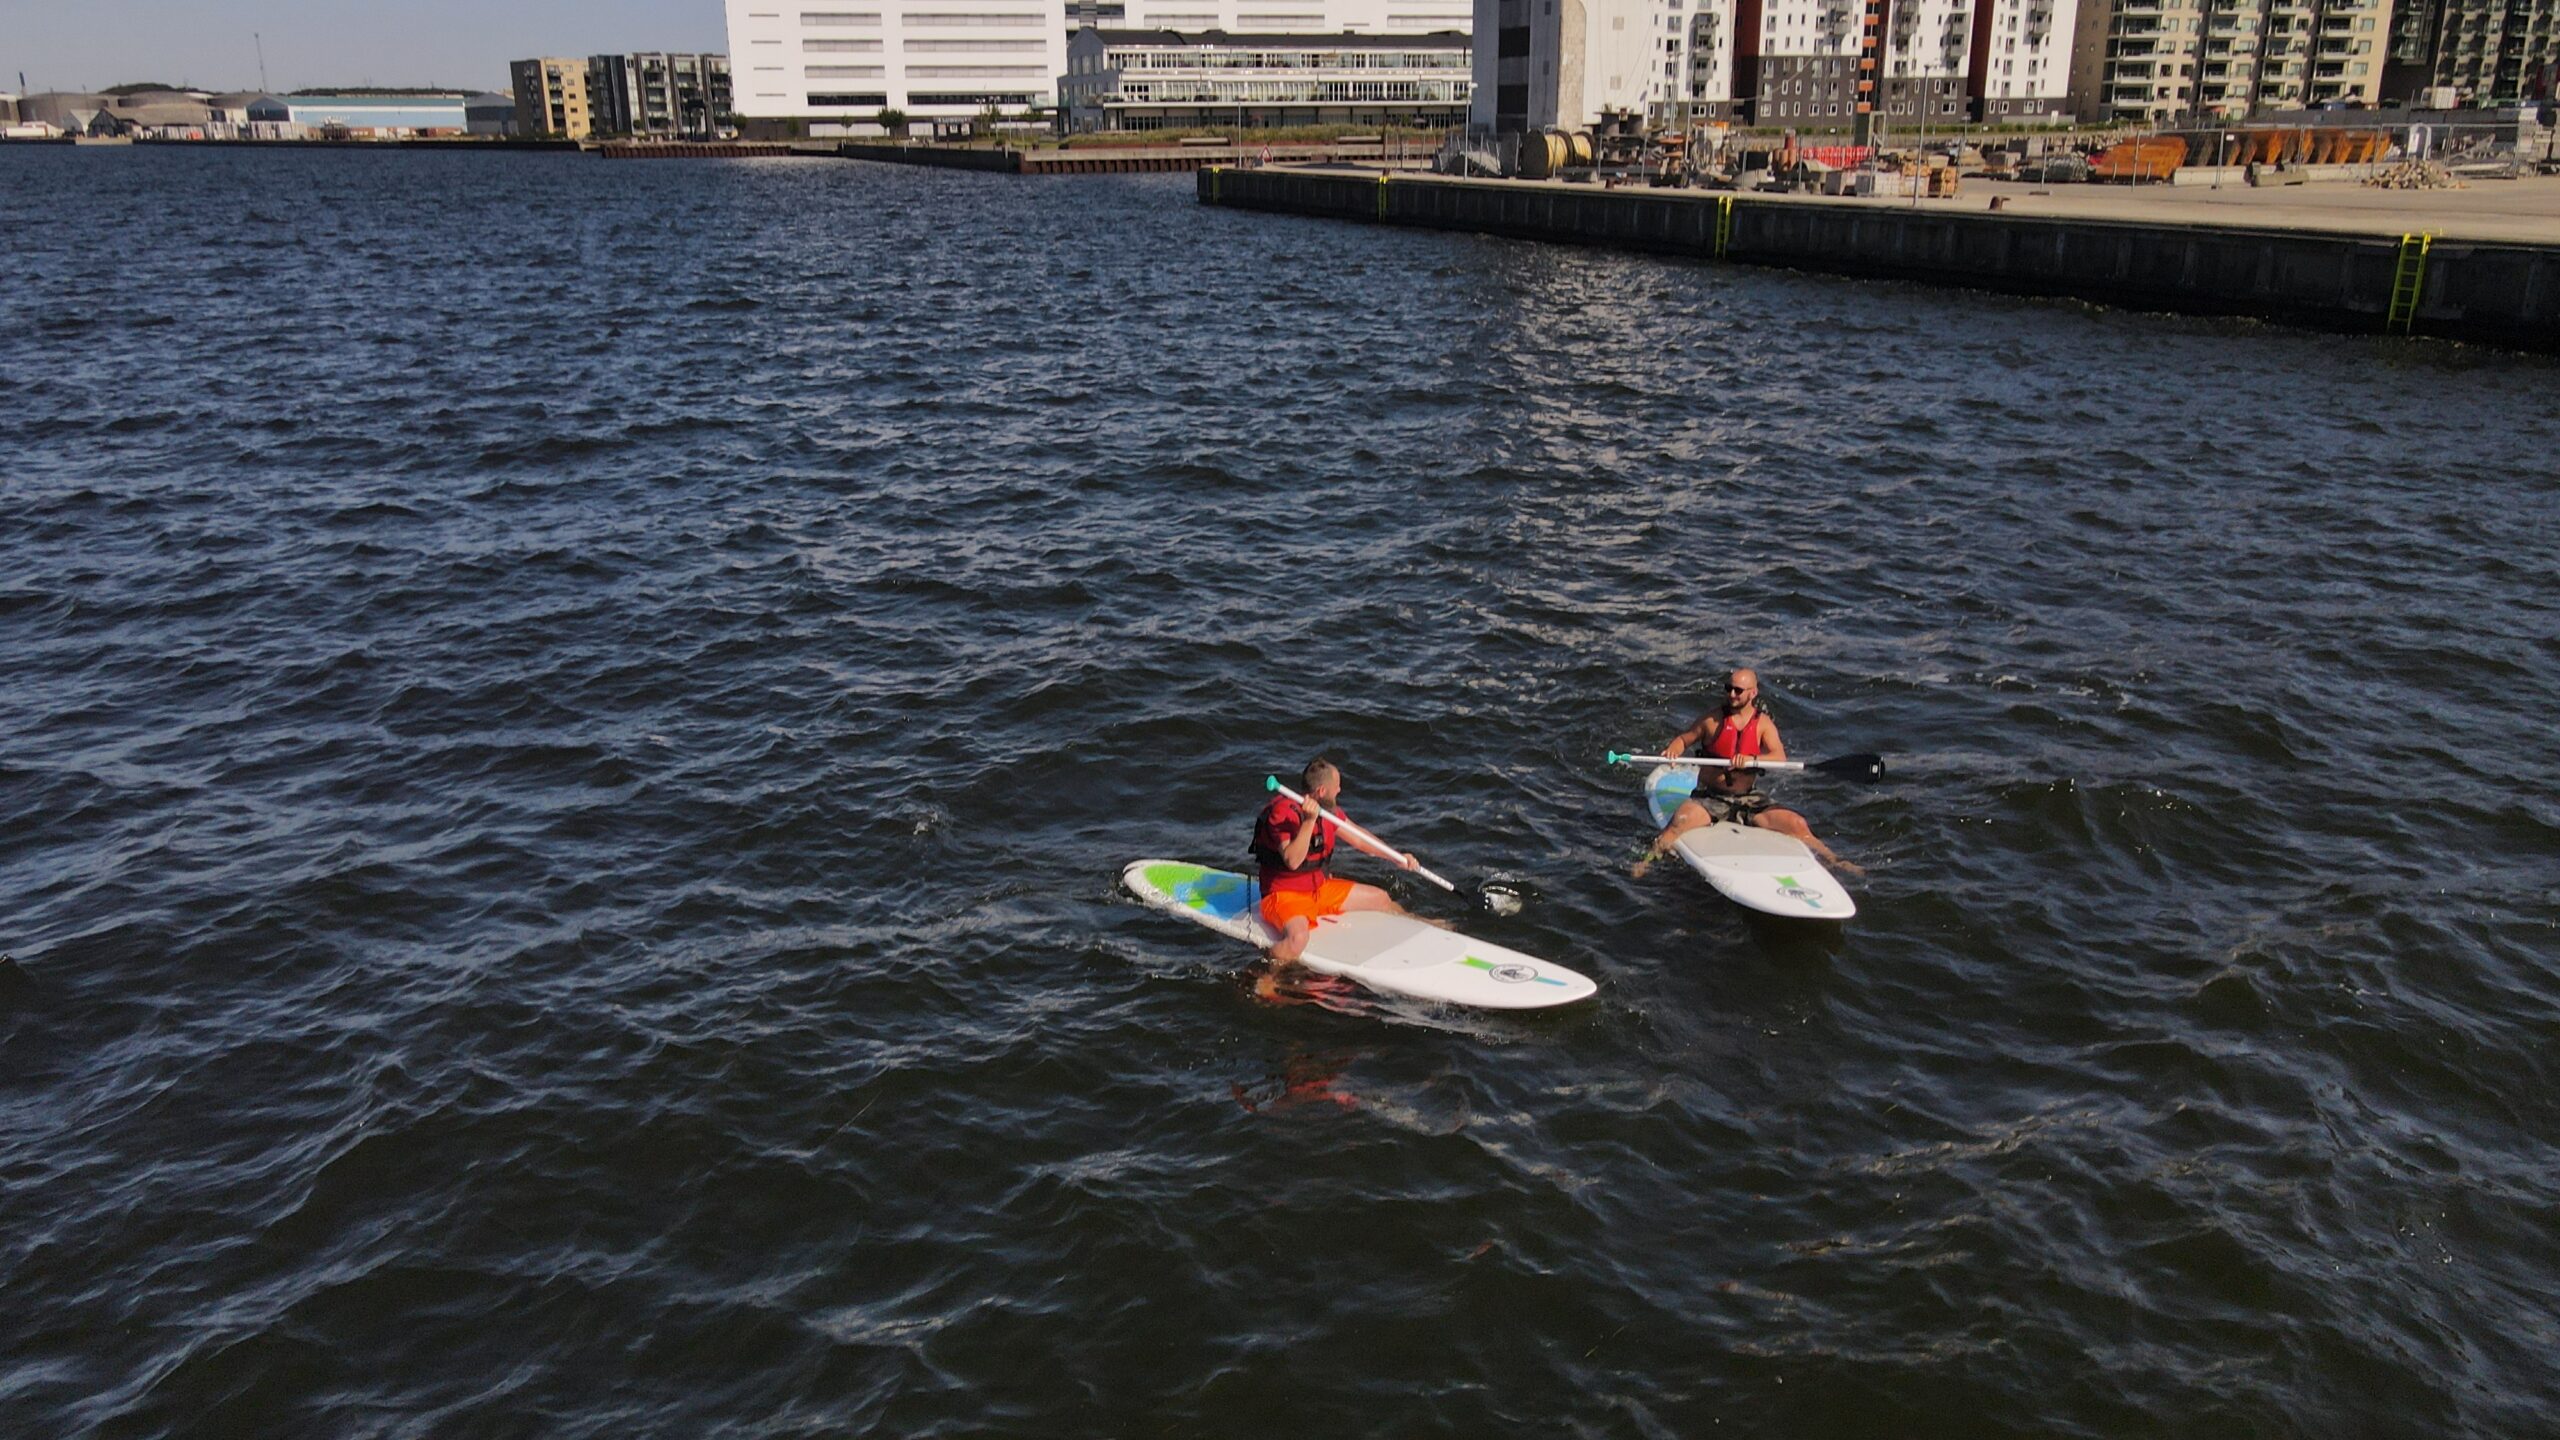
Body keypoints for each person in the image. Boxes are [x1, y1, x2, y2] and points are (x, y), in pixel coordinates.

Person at [1631, 668, 1855, 877]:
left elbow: (1779, 758)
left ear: (1753, 693)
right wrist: (1674, 749)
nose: (1732, 694)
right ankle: (1647, 861)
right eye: (1729, 688)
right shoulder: (1712, 720)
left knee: (1797, 825)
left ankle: (1834, 861)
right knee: (1680, 822)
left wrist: (1752, 760)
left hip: (1748, 799)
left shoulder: (1763, 724)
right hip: (1711, 797)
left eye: (1738, 690)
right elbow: (1683, 739)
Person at [1250, 758, 1419, 963]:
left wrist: (1397, 857)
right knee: (1298, 940)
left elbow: (1359, 838)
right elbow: (1292, 860)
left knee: (1381, 898)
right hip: (1284, 896)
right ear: (1322, 791)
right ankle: (1263, 975)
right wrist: (1309, 821)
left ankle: (1418, 923)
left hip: (1319, 890)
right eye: (1336, 786)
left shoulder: (1331, 813)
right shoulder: (1284, 813)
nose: (1339, 790)